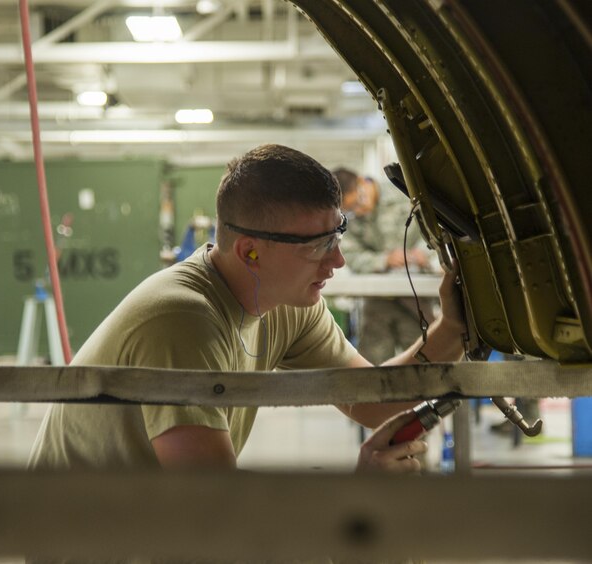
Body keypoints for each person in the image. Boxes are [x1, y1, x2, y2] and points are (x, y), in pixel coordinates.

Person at [28, 145, 465, 478]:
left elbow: (372, 401)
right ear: (250, 252)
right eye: (318, 246)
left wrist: (452, 328)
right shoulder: (182, 322)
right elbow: (219, 511)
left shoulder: (287, 301)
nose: (338, 262)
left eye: (337, 236)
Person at [331, 167, 438, 365]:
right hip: (378, 302)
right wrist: (383, 260)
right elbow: (352, 256)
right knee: (374, 363)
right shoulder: (351, 220)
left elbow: (435, 228)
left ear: (364, 182)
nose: (359, 210)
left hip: (417, 299)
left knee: (423, 358)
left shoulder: (404, 193)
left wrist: (424, 254)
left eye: (358, 201)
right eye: (351, 209)